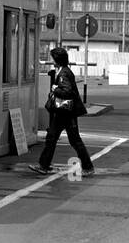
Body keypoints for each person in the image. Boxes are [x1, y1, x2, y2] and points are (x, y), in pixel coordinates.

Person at [28, 46, 95, 177]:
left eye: (52, 58)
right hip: (66, 112)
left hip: (65, 112)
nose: (51, 60)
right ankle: (45, 165)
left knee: (59, 139)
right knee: (63, 139)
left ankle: (45, 166)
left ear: (57, 60)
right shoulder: (64, 71)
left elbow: (67, 91)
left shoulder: (64, 73)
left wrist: (55, 88)